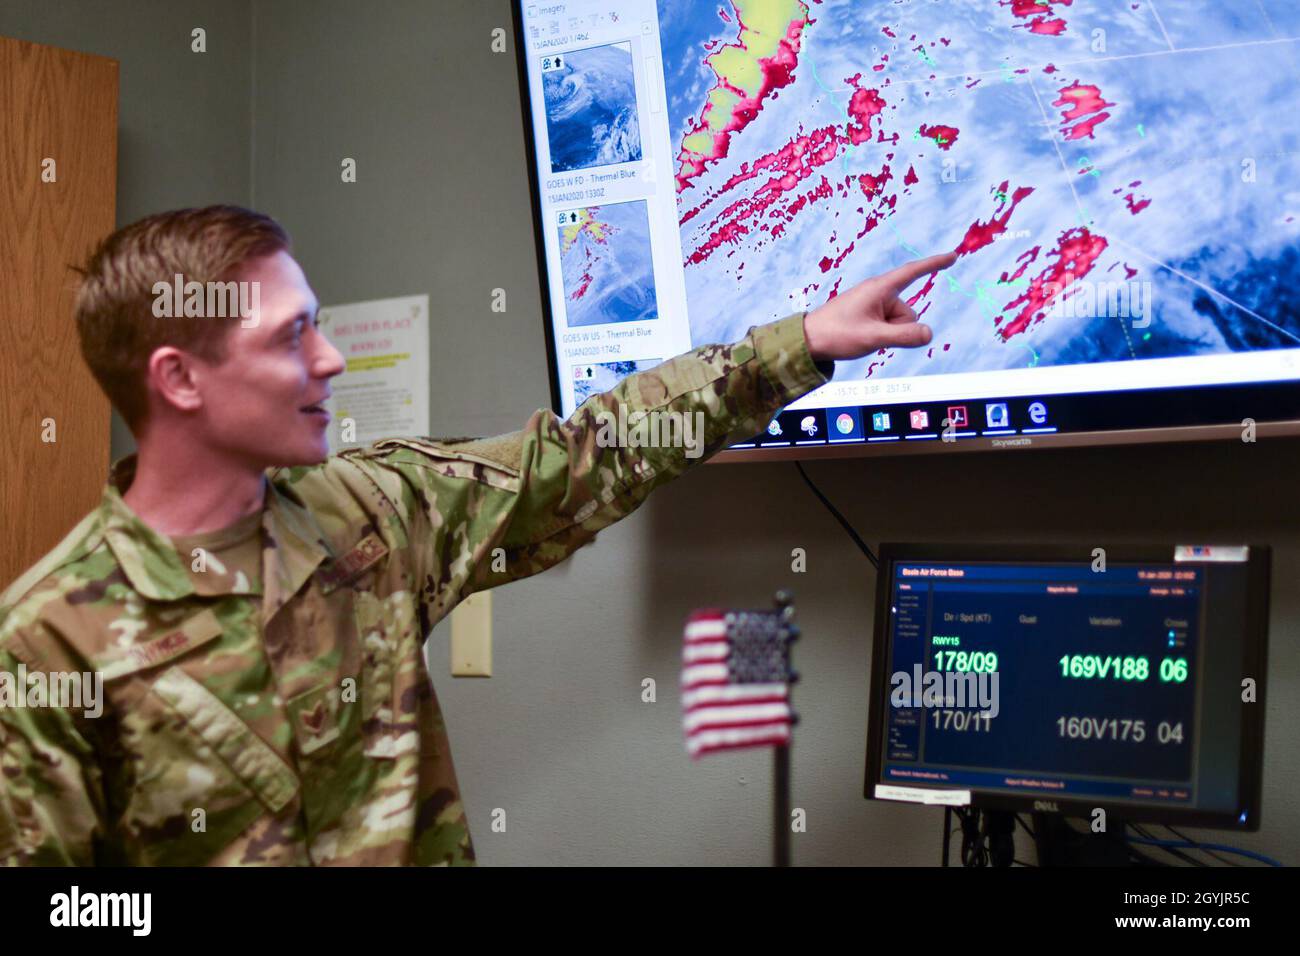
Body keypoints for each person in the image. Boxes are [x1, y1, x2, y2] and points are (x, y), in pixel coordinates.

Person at [0, 205, 955, 866]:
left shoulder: (369, 515)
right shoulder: (46, 644)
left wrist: (803, 344)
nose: (331, 359)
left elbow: (589, 455)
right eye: (292, 338)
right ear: (178, 379)